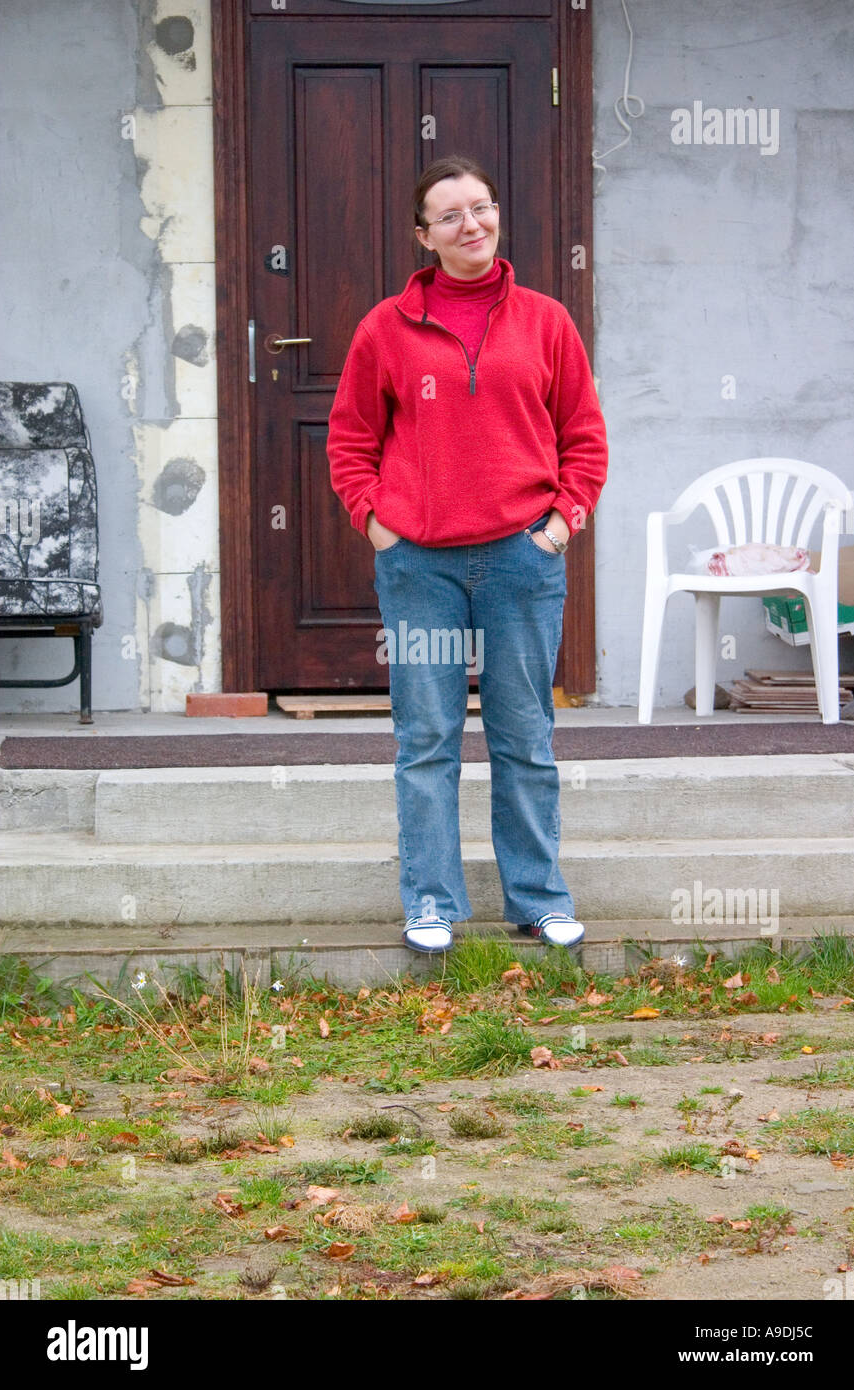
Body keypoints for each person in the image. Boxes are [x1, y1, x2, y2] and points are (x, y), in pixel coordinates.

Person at [327, 154, 608, 955]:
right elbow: (350, 439)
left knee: (525, 735)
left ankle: (539, 897)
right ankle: (431, 902)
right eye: (449, 215)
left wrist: (558, 527)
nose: (469, 224)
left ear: (497, 215)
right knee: (427, 738)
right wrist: (378, 524)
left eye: (479, 207)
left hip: (522, 562)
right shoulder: (385, 327)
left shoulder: (547, 321)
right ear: (425, 236)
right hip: (421, 568)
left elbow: (585, 440)